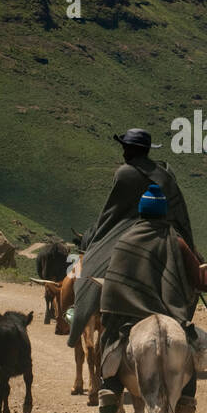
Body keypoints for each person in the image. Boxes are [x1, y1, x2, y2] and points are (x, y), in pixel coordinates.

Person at [91, 184, 207, 413]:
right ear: (164, 214)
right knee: (189, 358)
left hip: (125, 318)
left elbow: (114, 281)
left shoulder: (125, 240)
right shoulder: (175, 241)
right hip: (167, 316)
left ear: (141, 212)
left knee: (108, 348)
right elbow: (205, 280)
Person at [67, 128, 192, 354]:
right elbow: (179, 213)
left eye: (126, 147)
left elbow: (111, 214)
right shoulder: (165, 174)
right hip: (166, 232)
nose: (123, 151)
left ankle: (81, 311)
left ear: (134, 150)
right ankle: (185, 325)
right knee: (191, 272)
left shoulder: (124, 173)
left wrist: (98, 238)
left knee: (88, 269)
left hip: (128, 230)